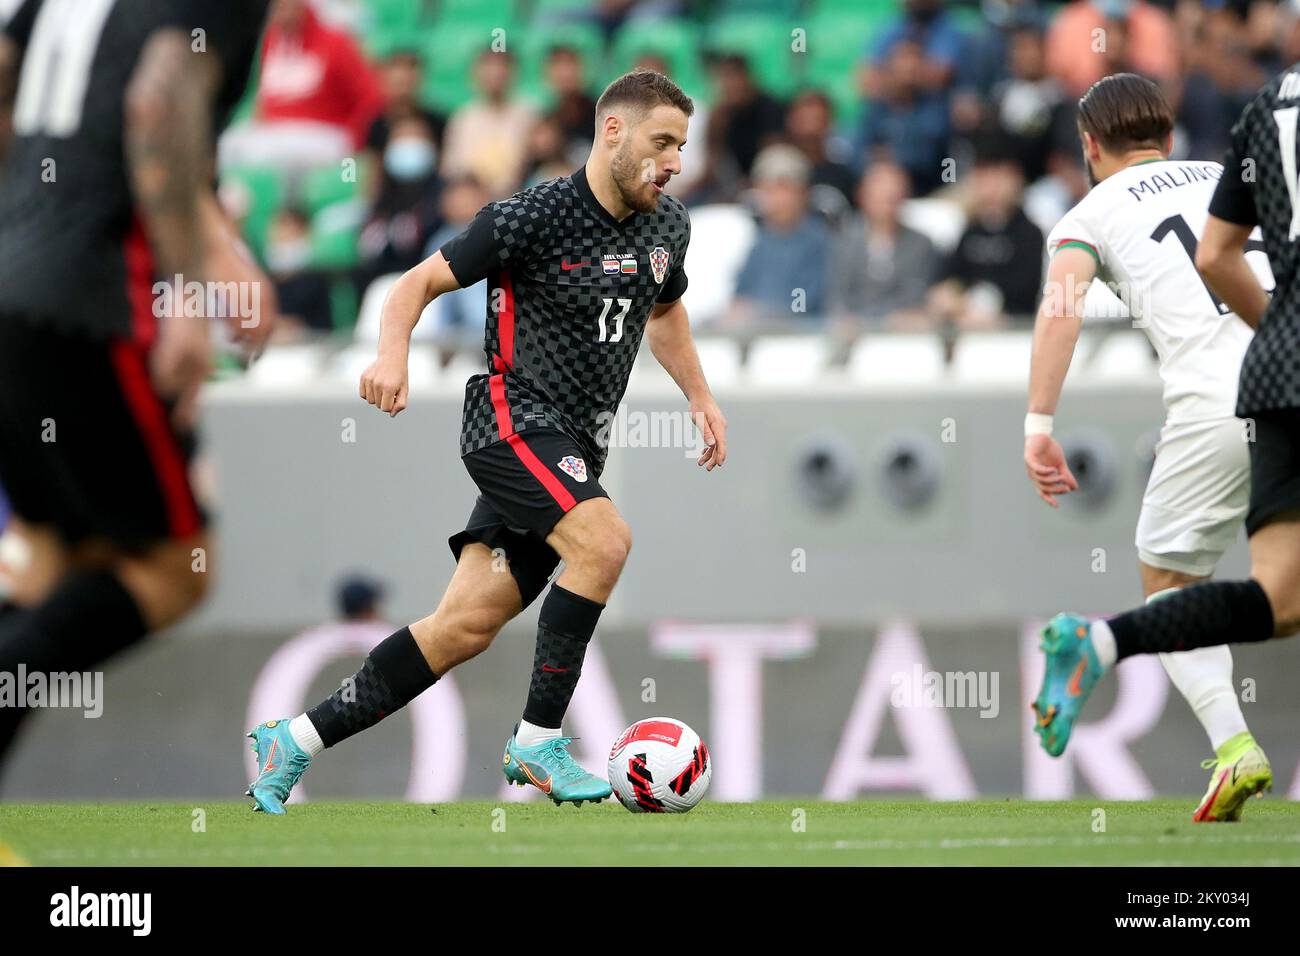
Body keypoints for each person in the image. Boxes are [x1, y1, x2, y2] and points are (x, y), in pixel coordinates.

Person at [245, 70, 727, 813]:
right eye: (662, 143)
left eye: (682, 147)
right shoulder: (531, 216)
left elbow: (664, 314)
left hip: (573, 451)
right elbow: (415, 284)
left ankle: (295, 741)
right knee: (603, 543)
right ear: (613, 132)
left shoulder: (668, 227)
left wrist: (700, 397)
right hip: (510, 421)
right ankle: (538, 743)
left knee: (462, 627)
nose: (673, 162)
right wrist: (390, 356)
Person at [0, 0, 274, 771]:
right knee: (173, 568)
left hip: (18, 291)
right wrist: (182, 290)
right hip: (96, 303)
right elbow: (159, 97)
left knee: (52, 561)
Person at [1031, 64, 1300, 820]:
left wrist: (1038, 425)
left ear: (1090, 145)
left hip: (1216, 408)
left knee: (1171, 584)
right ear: (1169, 135)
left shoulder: (1090, 211)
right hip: (1291, 383)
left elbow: (1061, 304)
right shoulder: (1223, 172)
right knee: (1282, 600)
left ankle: (1233, 746)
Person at [727, 145, 832, 324]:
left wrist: (760, 313)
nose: (777, 199)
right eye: (768, 190)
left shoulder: (818, 241)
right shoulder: (761, 240)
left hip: (799, 339)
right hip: (753, 335)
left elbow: (803, 305)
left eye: (783, 189)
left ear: (802, 192)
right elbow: (741, 294)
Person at [829, 162, 938, 330]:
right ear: (863, 197)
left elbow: (916, 296)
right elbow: (836, 296)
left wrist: (886, 320)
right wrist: (848, 320)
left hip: (903, 336)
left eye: (892, 198)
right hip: (851, 336)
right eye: (880, 198)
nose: (886, 204)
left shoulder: (921, 245)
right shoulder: (844, 243)